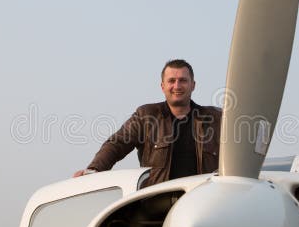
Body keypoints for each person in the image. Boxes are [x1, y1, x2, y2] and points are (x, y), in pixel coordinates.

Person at [73, 59, 221, 187]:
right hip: (157, 205)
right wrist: (94, 170)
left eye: (183, 80)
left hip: (202, 202)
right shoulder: (146, 116)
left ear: (193, 85)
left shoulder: (215, 118)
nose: (177, 86)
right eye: (171, 81)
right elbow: (117, 143)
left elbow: (241, 150)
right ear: (162, 86)